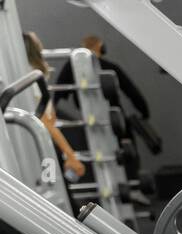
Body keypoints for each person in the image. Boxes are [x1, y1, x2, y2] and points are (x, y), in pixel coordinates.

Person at [22, 32, 86, 183]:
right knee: (52, 187)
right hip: (44, 149)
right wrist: (70, 156)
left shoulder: (34, 76)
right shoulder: (32, 77)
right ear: (32, 49)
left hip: (45, 147)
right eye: (37, 44)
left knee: (53, 186)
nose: (41, 46)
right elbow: (45, 121)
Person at [54, 35, 151, 120]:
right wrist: (144, 111)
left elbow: (60, 90)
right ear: (101, 48)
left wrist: (53, 111)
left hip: (86, 115)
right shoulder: (111, 68)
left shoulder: (71, 66)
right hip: (112, 116)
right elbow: (130, 90)